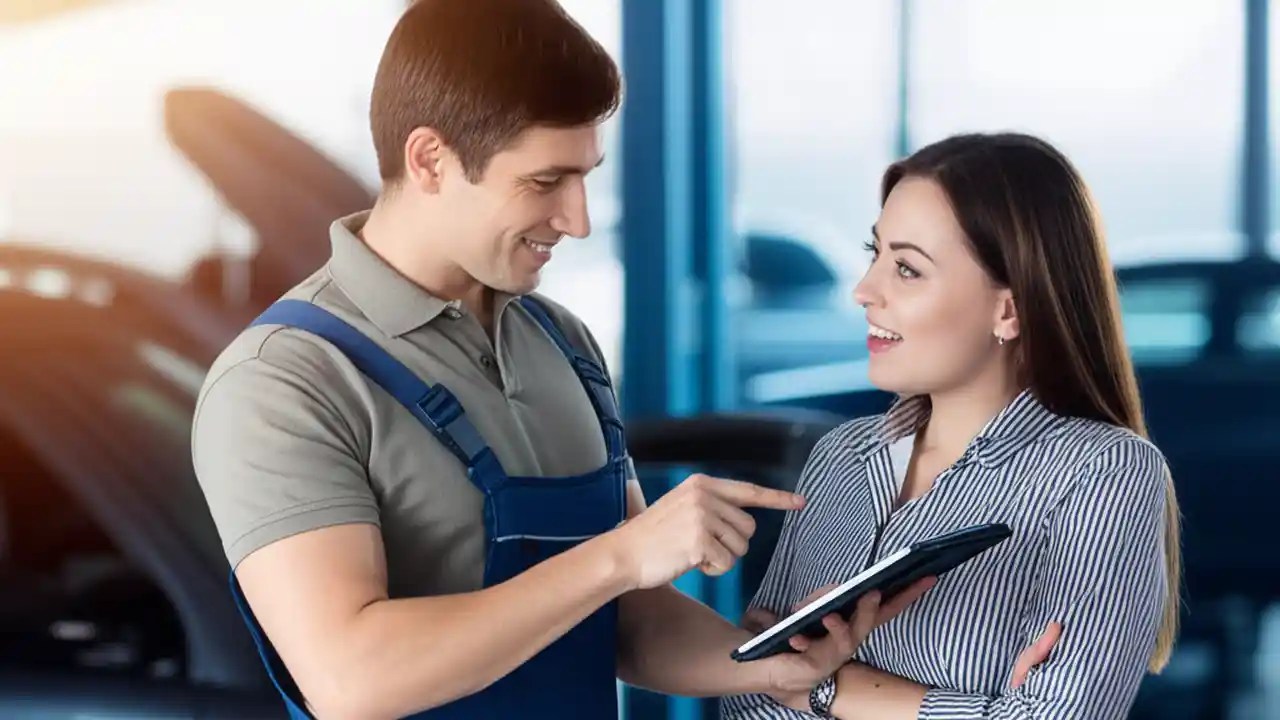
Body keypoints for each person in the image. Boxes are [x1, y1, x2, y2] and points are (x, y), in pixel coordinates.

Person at [190, 2, 941, 718]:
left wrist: (766, 663)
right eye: (545, 182)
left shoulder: (562, 342)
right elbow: (350, 681)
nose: (577, 220)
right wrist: (619, 556)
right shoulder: (285, 381)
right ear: (429, 160)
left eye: (585, 177)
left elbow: (629, 621)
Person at [721, 132, 1182, 719]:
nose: (864, 291)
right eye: (874, 254)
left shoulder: (1102, 473)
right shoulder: (842, 457)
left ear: (1008, 310)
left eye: (906, 269)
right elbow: (750, 695)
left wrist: (826, 687)